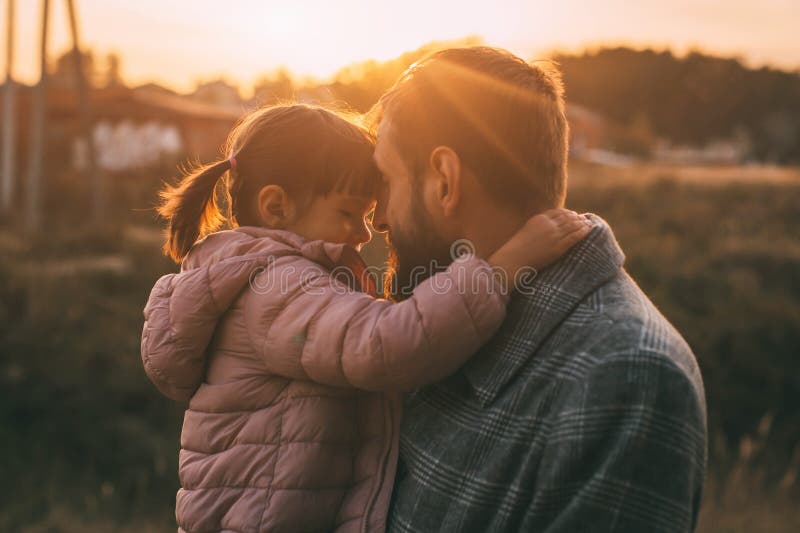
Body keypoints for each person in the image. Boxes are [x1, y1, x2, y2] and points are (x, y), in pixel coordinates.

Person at [140, 103, 591, 532]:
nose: (364, 233)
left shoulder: (261, 277)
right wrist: (503, 268)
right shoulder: (276, 288)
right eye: (348, 213)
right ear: (277, 207)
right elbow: (383, 345)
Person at [369, 46, 708, 532]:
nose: (377, 217)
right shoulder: (433, 321)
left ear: (444, 181)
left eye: (386, 179)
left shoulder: (626, 381)